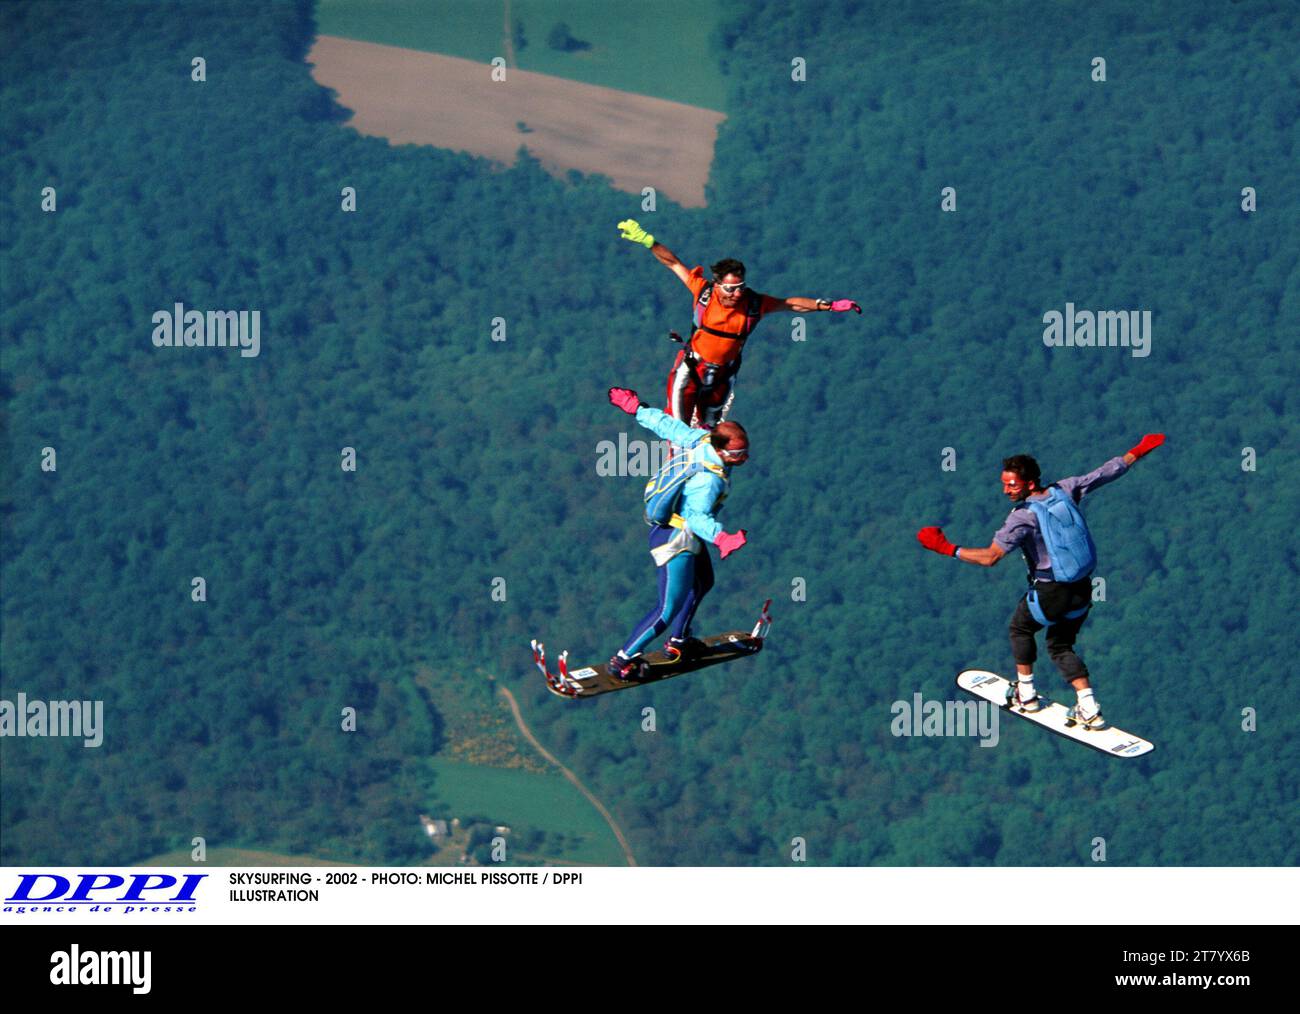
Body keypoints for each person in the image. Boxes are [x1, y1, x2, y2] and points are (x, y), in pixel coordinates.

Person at [916, 434, 1166, 729]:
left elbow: (990, 557)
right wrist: (1137, 451)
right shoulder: (1066, 489)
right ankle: (1089, 708)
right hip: (1083, 590)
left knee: (1020, 628)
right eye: (1004, 483)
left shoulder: (1022, 517)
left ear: (1030, 483)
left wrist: (947, 549)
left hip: (1052, 591)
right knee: (1060, 645)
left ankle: (1026, 694)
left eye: (1012, 484)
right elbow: (1106, 472)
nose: (1006, 489)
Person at [617, 219, 861, 428]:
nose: (736, 293)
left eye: (740, 287)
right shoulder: (703, 291)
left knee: (710, 432)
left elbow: (791, 304)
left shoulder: (753, 304)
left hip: (723, 374)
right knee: (676, 426)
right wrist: (649, 241)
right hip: (692, 367)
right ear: (718, 284)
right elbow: (673, 263)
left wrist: (828, 305)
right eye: (731, 288)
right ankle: (672, 458)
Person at [604, 385, 750, 680]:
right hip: (677, 540)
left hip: (684, 535)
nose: (744, 458)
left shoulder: (701, 440)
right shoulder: (709, 480)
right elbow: (696, 517)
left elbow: (667, 425)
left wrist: (636, 408)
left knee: (703, 582)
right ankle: (622, 660)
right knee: (665, 609)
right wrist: (721, 537)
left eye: (745, 451)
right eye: (738, 453)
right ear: (721, 450)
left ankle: (679, 640)